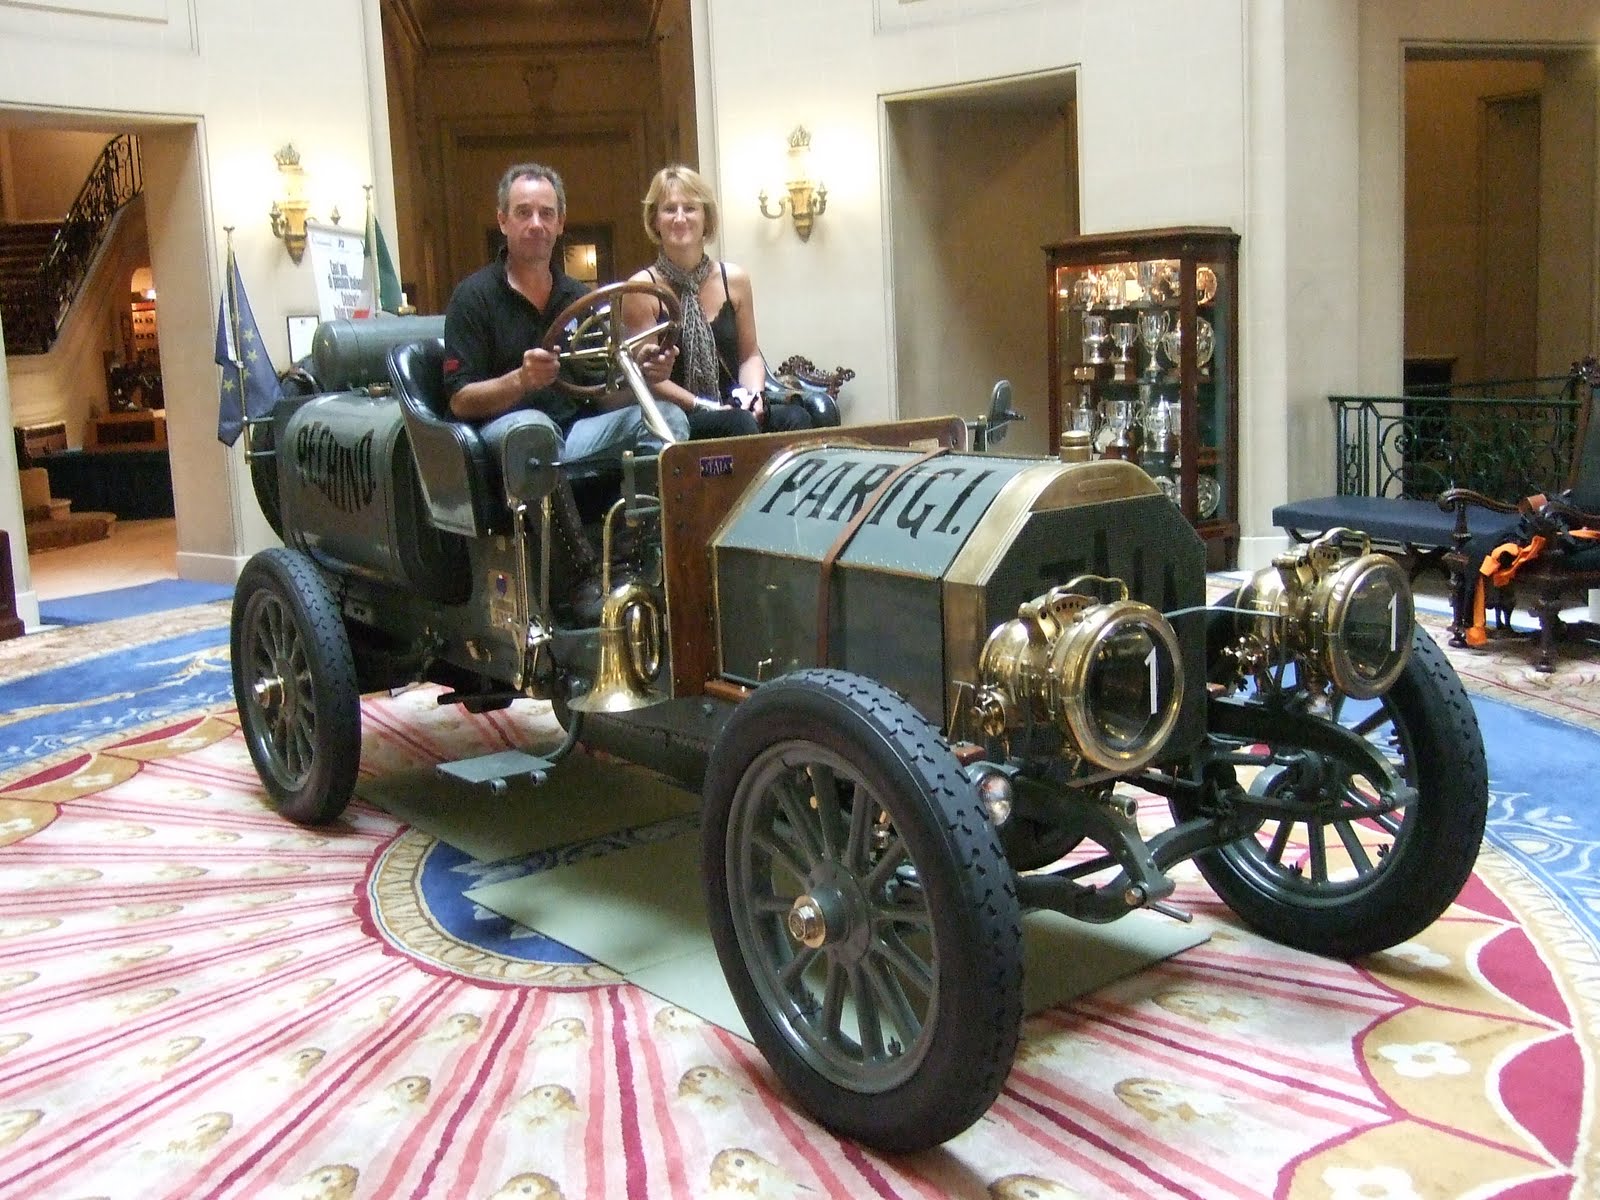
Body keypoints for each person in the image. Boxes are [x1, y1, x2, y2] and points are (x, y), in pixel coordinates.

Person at [443, 161, 685, 622]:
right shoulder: (473, 298)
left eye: (546, 214)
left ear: (560, 224)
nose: (536, 224)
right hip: (503, 441)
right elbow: (459, 399)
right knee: (534, 431)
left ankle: (644, 563)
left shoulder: (578, 297)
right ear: (503, 221)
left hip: (573, 432)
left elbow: (601, 392)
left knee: (667, 419)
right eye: (524, 213)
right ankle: (579, 581)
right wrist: (521, 380)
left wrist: (644, 381)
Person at [620, 164, 815, 437]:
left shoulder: (734, 280)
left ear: (706, 218)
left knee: (798, 418)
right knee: (739, 424)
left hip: (734, 401)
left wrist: (754, 398)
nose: (679, 218)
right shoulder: (641, 288)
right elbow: (650, 380)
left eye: (689, 208)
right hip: (682, 415)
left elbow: (749, 355)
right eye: (669, 209)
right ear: (655, 221)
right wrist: (707, 407)